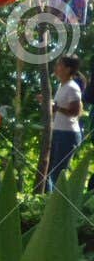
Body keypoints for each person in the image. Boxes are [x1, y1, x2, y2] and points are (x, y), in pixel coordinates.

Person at [48, 55, 83, 185]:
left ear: (68, 69)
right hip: (58, 132)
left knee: (58, 173)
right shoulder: (62, 86)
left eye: (59, 65)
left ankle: (60, 197)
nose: (56, 68)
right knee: (51, 171)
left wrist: (56, 107)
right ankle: (50, 196)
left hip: (67, 134)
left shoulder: (72, 87)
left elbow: (75, 111)